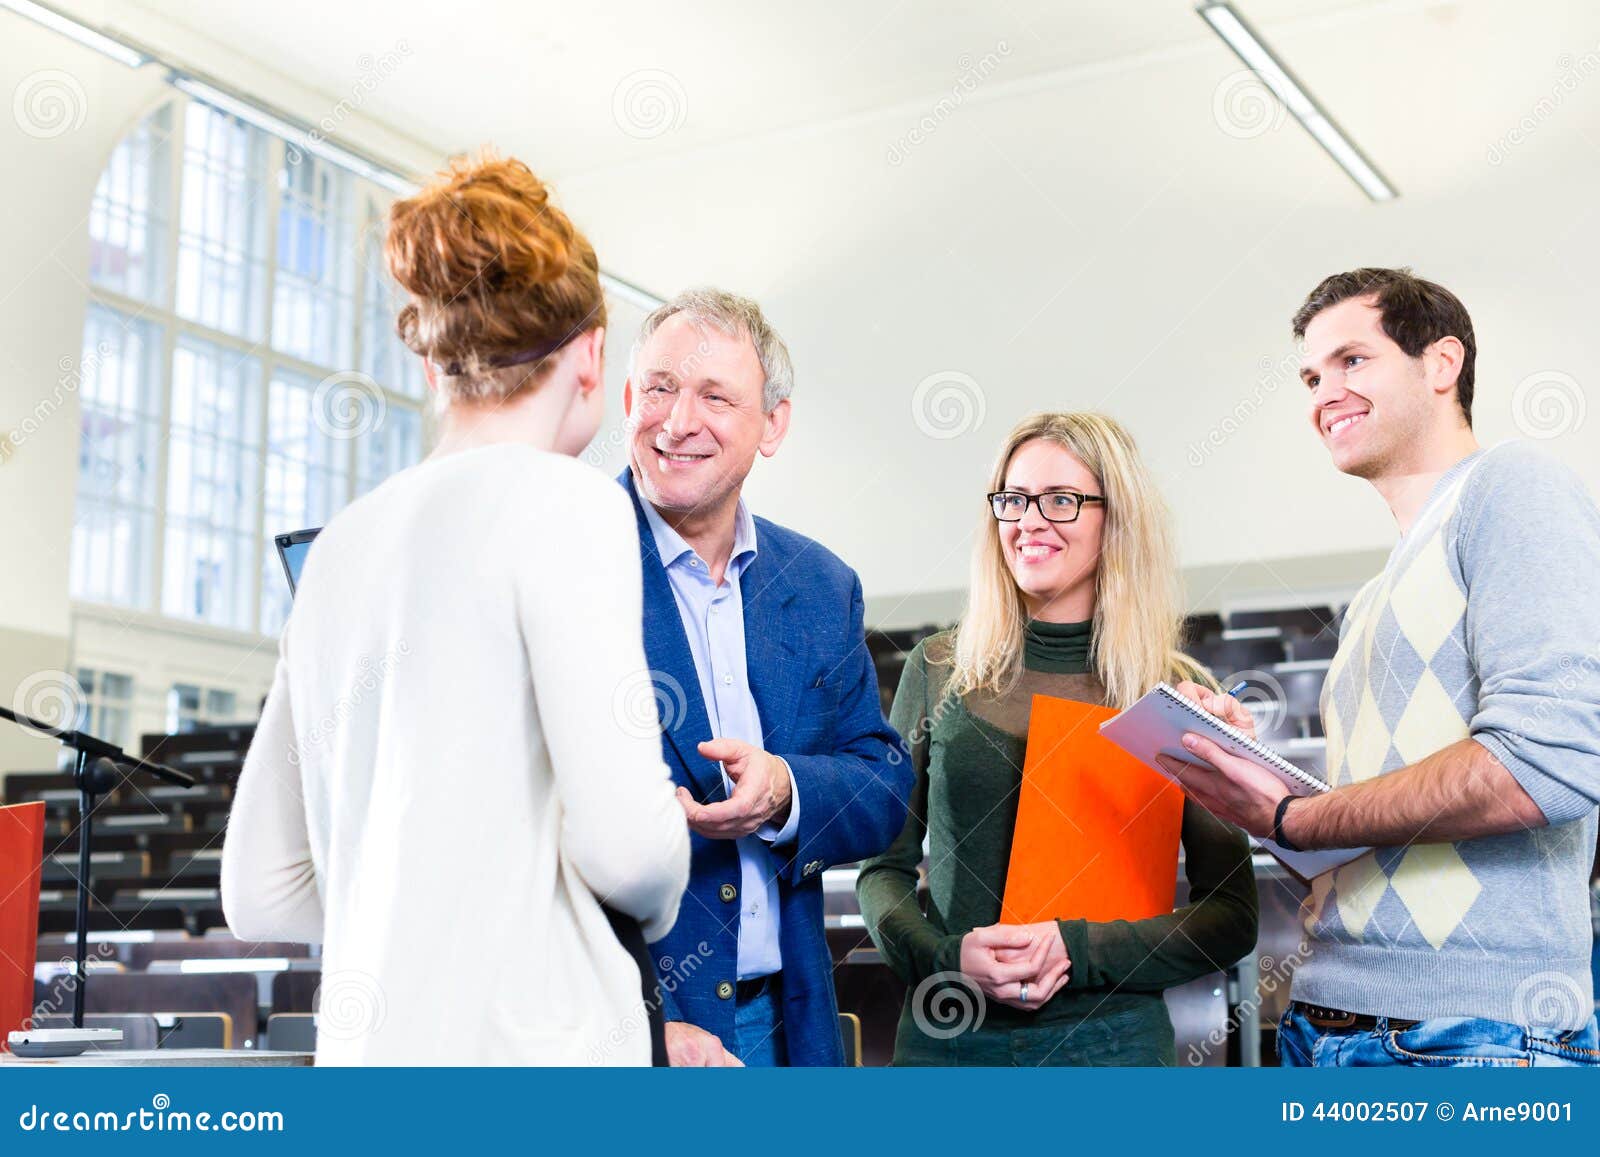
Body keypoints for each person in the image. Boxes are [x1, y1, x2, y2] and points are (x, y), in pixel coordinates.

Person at [222, 154, 689, 1066]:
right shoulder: (571, 501)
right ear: (591, 354)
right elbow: (631, 853)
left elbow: (259, 890)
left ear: (435, 365)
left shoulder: (341, 545)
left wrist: (413, 902)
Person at [1159, 268, 1600, 1067]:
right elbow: (1367, 834)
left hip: (1476, 1035)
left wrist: (1294, 818)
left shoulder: (1513, 488)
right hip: (1329, 1020)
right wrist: (1257, 779)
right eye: (1311, 376)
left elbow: (1549, 761)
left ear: (1442, 364)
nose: (1324, 391)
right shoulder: (1371, 598)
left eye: (1352, 360)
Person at [856, 411, 1259, 1066]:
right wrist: (944, 954)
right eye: (1013, 499)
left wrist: (1077, 948)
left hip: (1111, 1051)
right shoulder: (938, 669)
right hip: (950, 1041)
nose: (1029, 521)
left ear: (1115, 517)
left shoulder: (1174, 692)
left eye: (1062, 500)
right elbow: (884, 867)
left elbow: (1233, 916)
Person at [617, 287, 913, 1066]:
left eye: (715, 396)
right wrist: (638, 1026)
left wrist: (786, 788)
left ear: (772, 424)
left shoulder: (821, 584)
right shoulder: (562, 560)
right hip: (627, 1031)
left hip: (787, 1024)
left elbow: (880, 784)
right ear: (626, 398)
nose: (679, 421)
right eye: (660, 388)